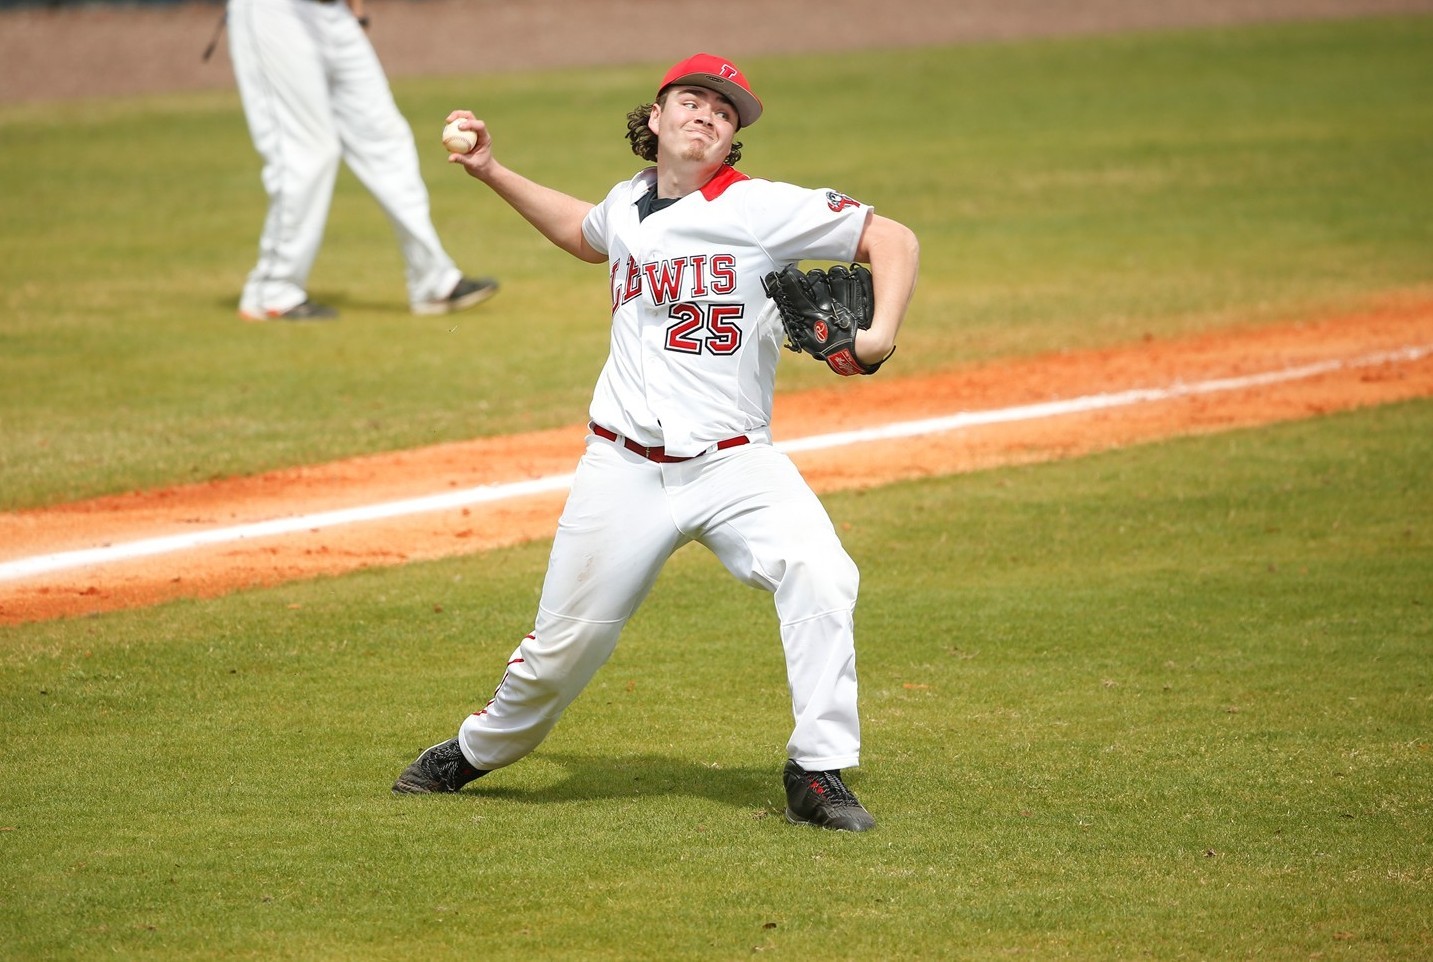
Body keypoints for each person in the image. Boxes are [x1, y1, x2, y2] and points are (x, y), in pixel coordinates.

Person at [393, 53, 919, 832]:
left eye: (724, 111)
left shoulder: (761, 208)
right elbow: (584, 233)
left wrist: (874, 339)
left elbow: (892, 237)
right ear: (656, 117)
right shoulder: (628, 201)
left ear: (731, 138)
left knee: (820, 571)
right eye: (693, 100)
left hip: (735, 464)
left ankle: (817, 771)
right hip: (621, 468)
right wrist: (490, 170)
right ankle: (476, 750)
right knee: (559, 653)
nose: (708, 114)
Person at [225, 0, 497, 321]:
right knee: (305, 149)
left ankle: (433, 281)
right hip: (278, 11)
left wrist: (355, 10)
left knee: (387, 140)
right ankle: (272, 290)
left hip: (335, 12)